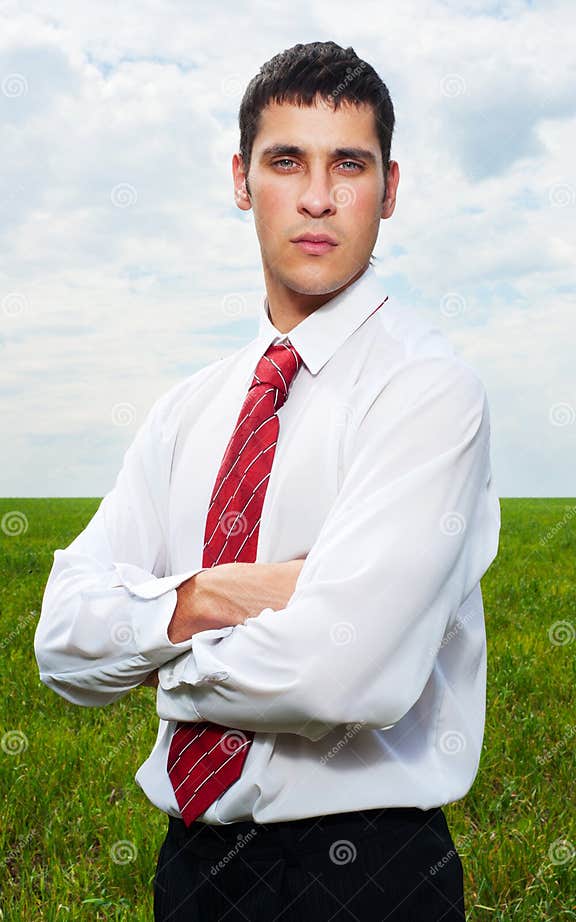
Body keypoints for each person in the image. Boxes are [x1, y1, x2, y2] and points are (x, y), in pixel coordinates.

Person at [34, 40, 501, 921]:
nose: (318, 197)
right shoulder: (187, 409)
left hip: (366, 872)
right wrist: (206, 598)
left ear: (390, 190)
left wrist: (152, 662)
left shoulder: (428, 392)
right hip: (193, 871)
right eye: (287, 161)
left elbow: (342, 672)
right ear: (242, 181)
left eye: (349, 165)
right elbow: (60, 639)